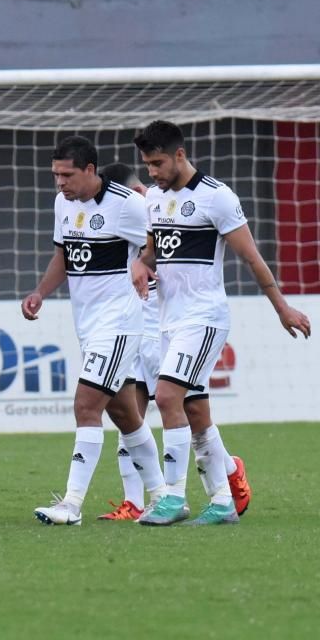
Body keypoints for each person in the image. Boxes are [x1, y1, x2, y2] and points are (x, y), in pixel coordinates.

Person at [132, 121, 311, 526]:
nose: (152, 172)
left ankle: (173, 497)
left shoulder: (217, 197)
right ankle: (222, 501)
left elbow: (251, 257)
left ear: (180, 155)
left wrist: (282, 308)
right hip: (168, 320)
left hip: (204, 318)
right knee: (195, 411)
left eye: (158, 163)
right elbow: (154, 251)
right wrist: (141, 264)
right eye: (147, 165)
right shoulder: (154, 199)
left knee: (167, 397)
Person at [93, 162, 254, 523]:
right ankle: (137, 501)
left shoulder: (159, 209)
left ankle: (217, 478)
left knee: (182, 409)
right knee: (132, 416)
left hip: (172, 328)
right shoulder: (124, 220)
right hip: (138, 330)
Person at [20, 137, 164, 527]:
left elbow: (164, 236)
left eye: (67, 175)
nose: (60, 182)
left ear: (90, 170)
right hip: (87, 323)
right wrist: (40, 292)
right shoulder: (62, 204)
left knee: (86, 405)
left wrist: (144, 262)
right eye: (55, 175)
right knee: (124, 414)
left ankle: (71, 504)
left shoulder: (127, 204)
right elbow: (63, 255)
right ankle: (163, 496)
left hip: (119, 322)